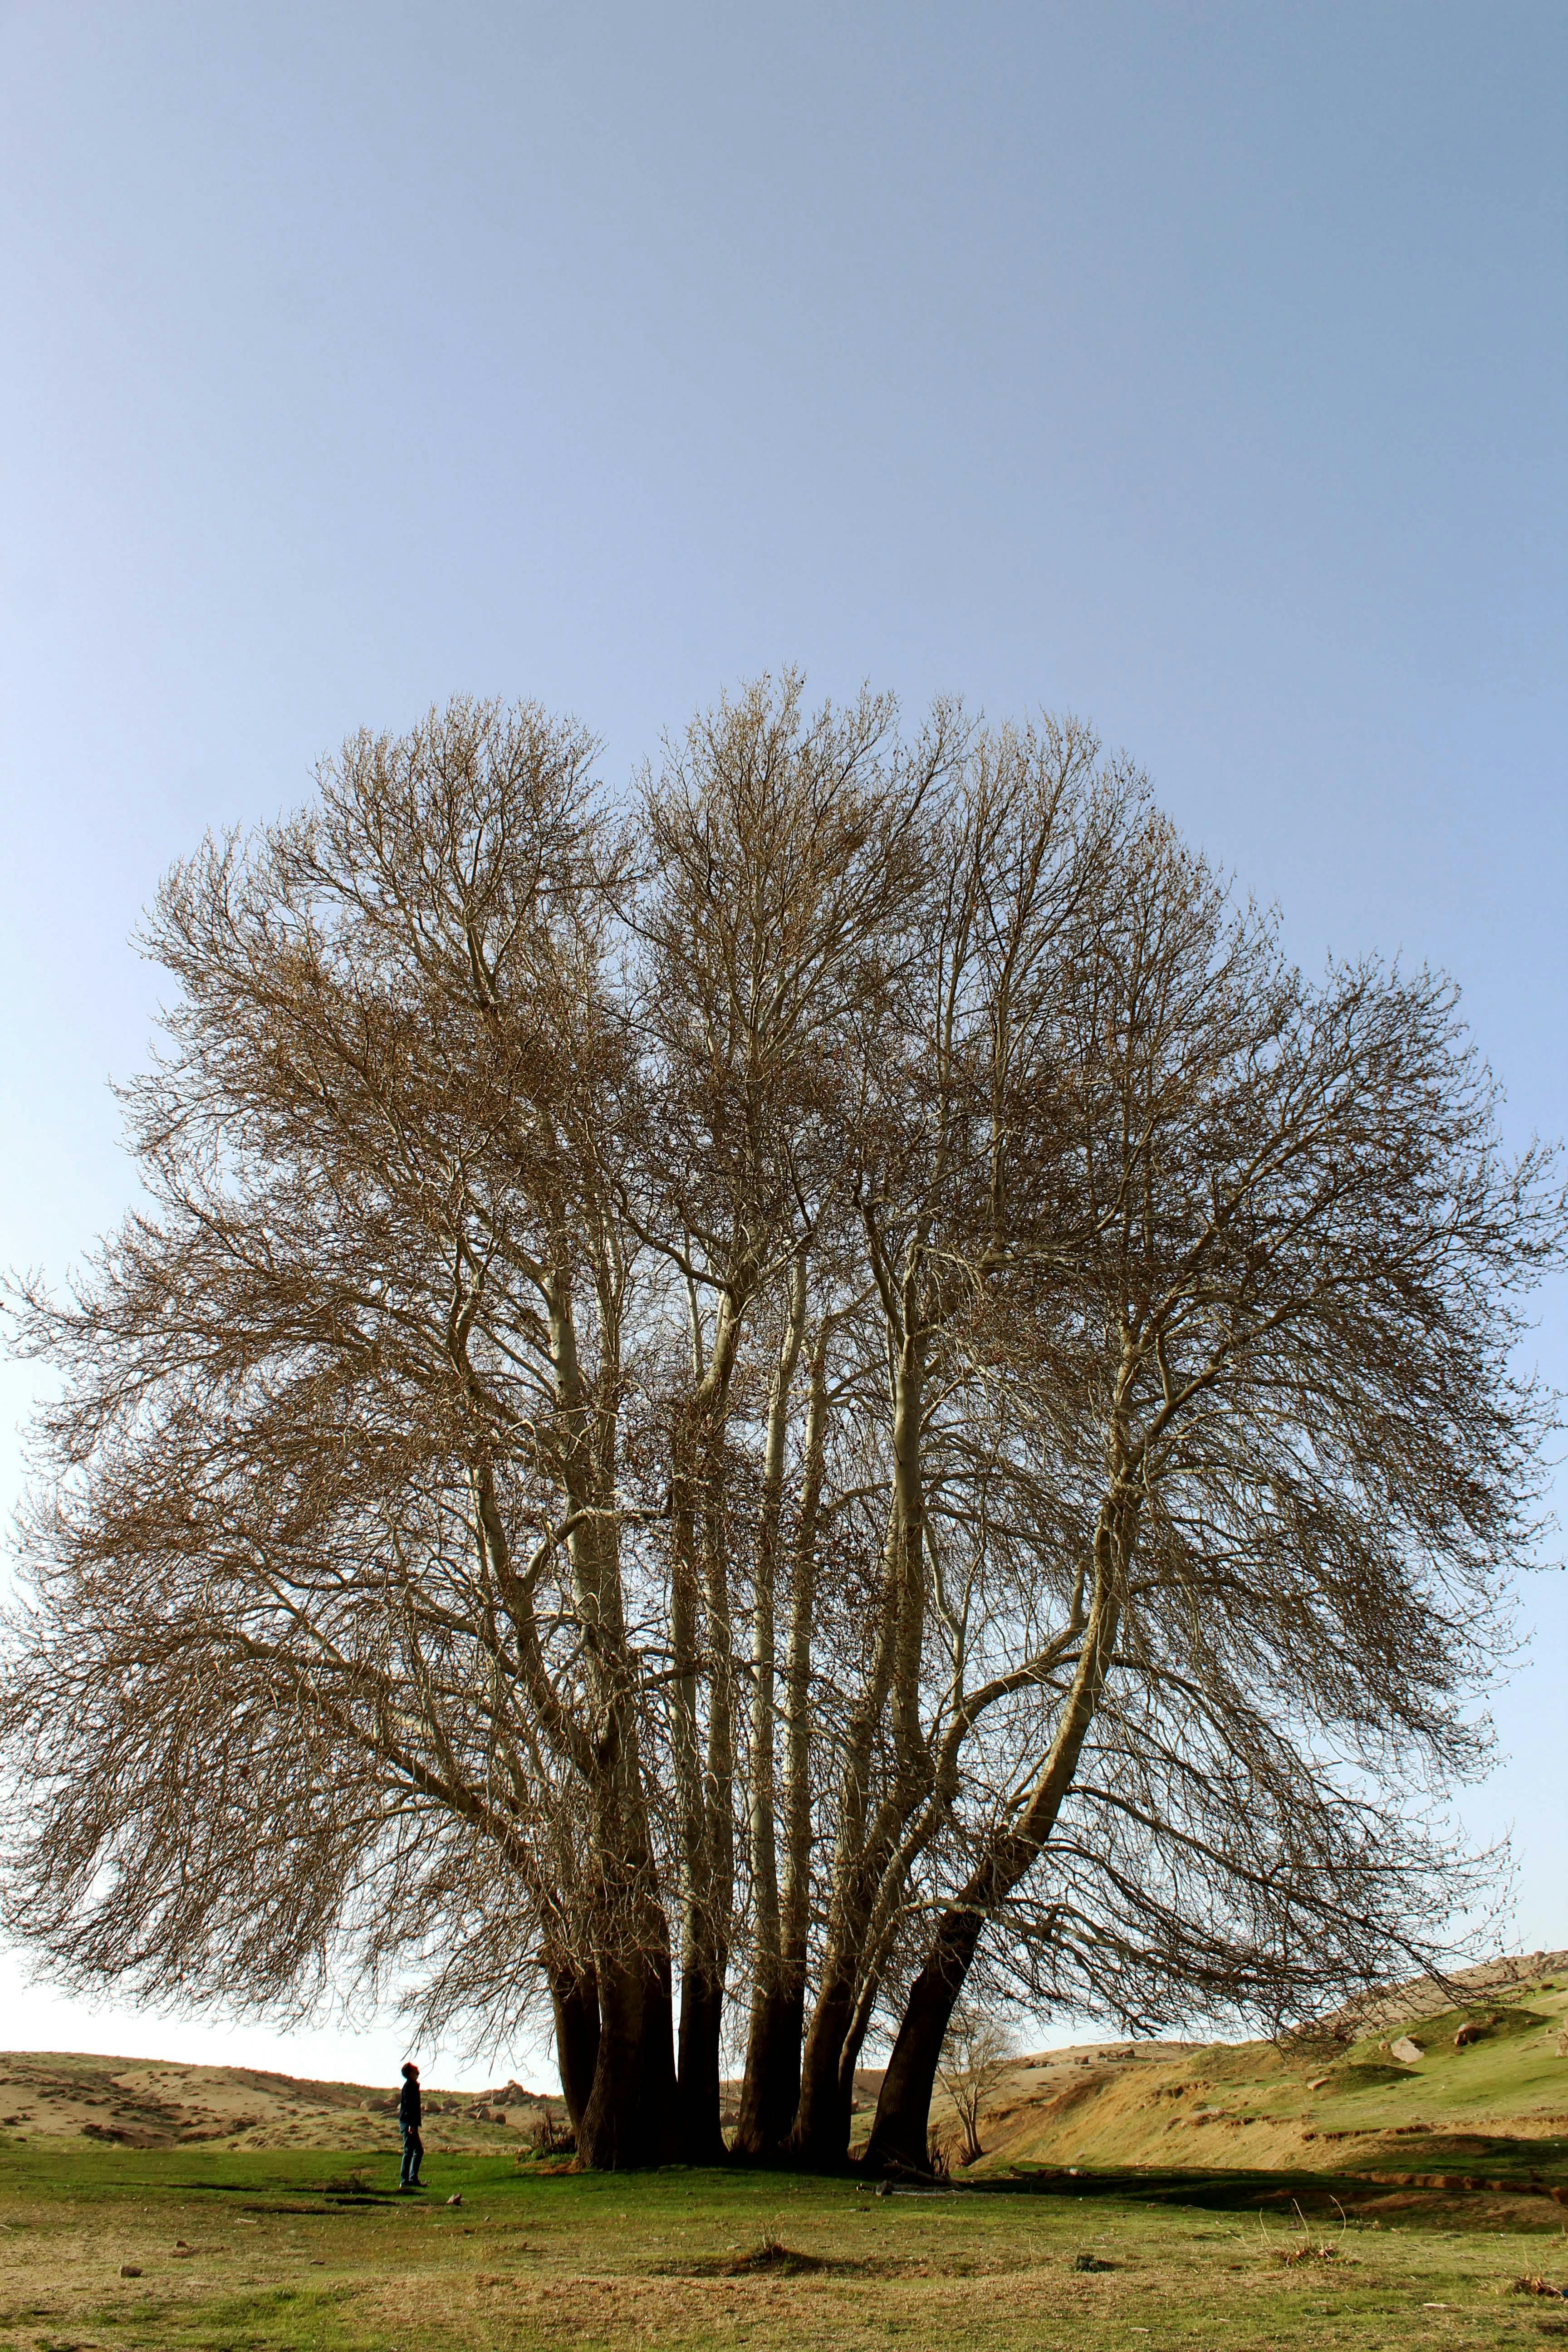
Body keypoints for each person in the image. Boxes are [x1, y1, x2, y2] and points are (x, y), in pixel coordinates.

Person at [397, 2062, 424, 2191]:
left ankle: (412, 2179)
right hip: (408, 2124)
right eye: (414, 2068)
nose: (417, 2069)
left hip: (411, 2123)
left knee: (418, 2150)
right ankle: (404, 2181)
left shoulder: (413, 2086)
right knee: (409, 2151)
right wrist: (411, 2124)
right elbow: (408, 2107)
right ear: (410, 2073)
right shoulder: (409, 2087)